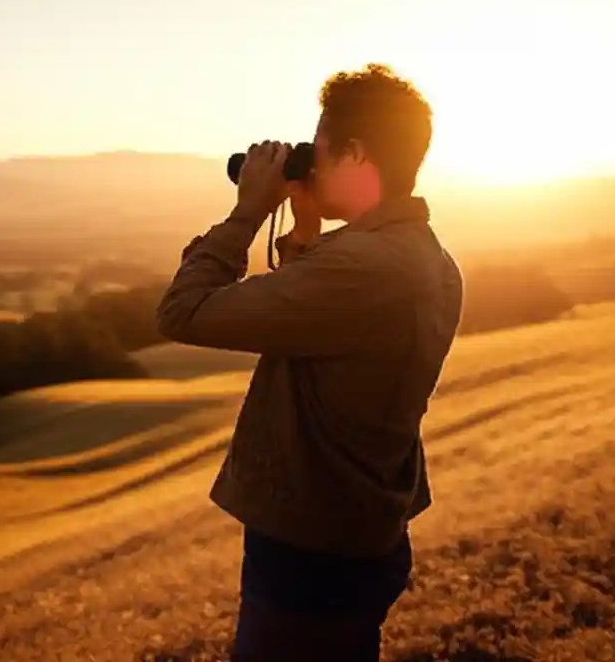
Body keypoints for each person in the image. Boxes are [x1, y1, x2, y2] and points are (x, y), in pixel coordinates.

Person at [155, 63, 463, 661]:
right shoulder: (424, 257)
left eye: (318, 147)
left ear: (352, 153)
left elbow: (182, 312)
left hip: (310, 554)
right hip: (356, 537)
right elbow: (318, 324)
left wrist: (247, 214)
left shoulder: (363, 268)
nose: (308, 160)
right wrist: (305, 225)